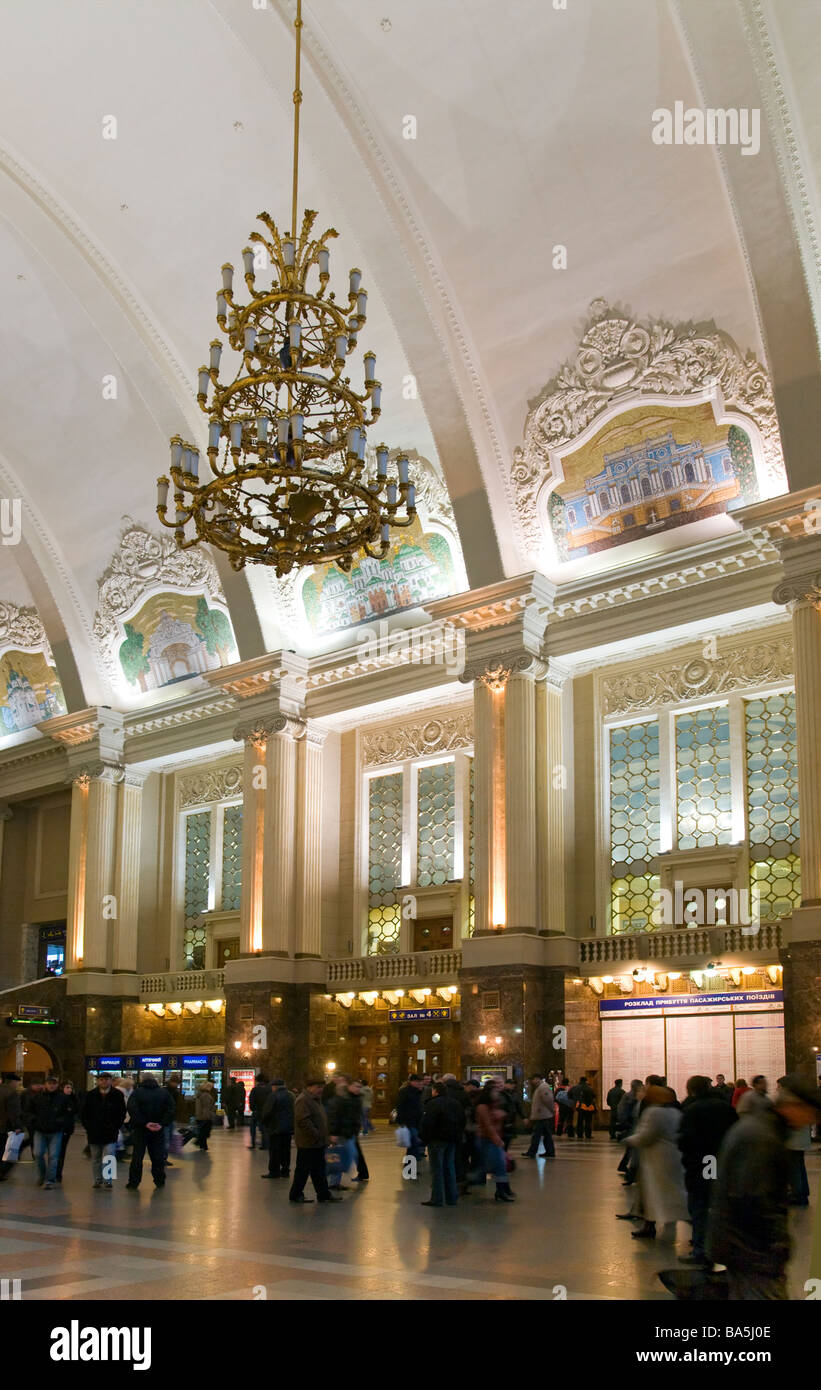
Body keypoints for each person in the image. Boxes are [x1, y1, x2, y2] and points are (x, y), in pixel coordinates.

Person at [708, 1076, 821, 1299]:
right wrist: (776, 1244)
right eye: (810, 1112)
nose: (811, 1120)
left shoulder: (762, 1128)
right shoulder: (762, 1138)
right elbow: (752, 1198)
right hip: (751, 1251)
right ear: (794, 1106)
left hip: (742, 1247)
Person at [677, 1074, 737, 1265]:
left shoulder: (692, 1109)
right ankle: (718, 1244)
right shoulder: (725, 1107)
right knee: (715, 1203)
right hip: (720, 1160)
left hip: (701, 1162)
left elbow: (686, 1139)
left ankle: (701, 1248)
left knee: (699, 1204)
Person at [625, 1085, 688, 1240]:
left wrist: (628, 1140)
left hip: (657, 1159)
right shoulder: (675, 1112)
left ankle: (650, 1225)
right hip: (674, 1157)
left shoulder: (654, 1112)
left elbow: (646, 1136)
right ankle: (666, 1221)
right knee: (674, 1191)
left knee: (652, 1193)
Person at [289, 1080, 340, 1203]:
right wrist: (317, 1135)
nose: (321, 1089)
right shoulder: (303, 1100)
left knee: (318, 1170)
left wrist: (325, 1136)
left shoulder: (315, 1099)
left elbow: (320, 1120)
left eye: (322, 1087)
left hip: (317, 1142)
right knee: (303, 1170)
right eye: (318, 1087)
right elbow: (303, 1121)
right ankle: (295, 1195)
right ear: (309, 1087)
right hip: (308, 1142)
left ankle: (323, 1194)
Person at [420, 1079, 464, 1207]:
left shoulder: (432, 1104)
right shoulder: (455, 1103)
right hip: (452, 1140)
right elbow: (462, 1120)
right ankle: (452, 1198)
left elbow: (427, 1123)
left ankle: (437, 1198)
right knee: (449, 1167)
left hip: (436, 1140)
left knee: (437, 1170)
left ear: (435, 1091)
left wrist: (424, 1138)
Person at [126, 1073, 175, 1189]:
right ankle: (159, 1180)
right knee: (158, 1156)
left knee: (137, 1156)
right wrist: (162, 1123)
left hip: (140, 1130)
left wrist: (144, 1123)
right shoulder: (164, 1093)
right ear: (155, 1080)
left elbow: (132, 1109)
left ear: (142, 1080)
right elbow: (171, 1109)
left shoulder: (137, 1093)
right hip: (158, 1130)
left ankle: (134, 1182)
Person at [81, 1071, 127, 1189]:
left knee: (110, 1155)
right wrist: (88, 1126)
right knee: (96, 1157)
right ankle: (97, 1180)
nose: (104, 1081)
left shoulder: (117, 1095)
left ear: (110, 1081)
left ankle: (108, 1180)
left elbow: (121, 1112)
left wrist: (116, 1125)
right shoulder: (90, 1095)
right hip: (94, 1131)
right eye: (101, 1079)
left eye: (106, 1079)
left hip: (110, 1131)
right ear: (98, 1081)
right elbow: (84, 1113)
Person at [474, 1081, 515, 1202]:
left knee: (499, 1166)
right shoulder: (483, 1107)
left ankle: (501, 1191)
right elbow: (488, 1126)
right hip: (487, 1140)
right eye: (495, 1090)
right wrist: (497, 1140)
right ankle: (501, 1191)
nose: (497, 1093)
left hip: (493, 1139)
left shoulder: (493, 1105)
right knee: (498, 1165)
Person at [31, 1075, 73, 1189]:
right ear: (46, 1084)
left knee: (54, 1156)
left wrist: (60, 1123)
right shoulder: (37, 1098)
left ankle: (50, 1180)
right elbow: (29, 1112)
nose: (51, 1085)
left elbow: (68, 1114)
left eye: (54, 1083)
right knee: (38, 1153)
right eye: (49, 1083)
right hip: (40, 1130)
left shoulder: (63, 1099)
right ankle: (42, 1175)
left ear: (57, 1085)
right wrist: (34, 1123)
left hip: (56, 1131)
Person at [778, 1076, 812, 1207]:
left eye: (779, 1086)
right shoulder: (801, 1099)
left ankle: (797, 1196)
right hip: (801, 1141)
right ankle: (803, 1193)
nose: (777, 1089)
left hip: (793, 1142)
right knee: (800, 1168)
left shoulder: (791, 1101)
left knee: (794, 1170)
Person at [325, 1076, 359, 1189]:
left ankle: (334, 1180)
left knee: (338, 1155)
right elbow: (333, 1118)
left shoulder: (348, 1100)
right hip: (341, 1133)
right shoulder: (337, 1102)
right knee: (340, 1155)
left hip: (347, 1132)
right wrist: (333, 1133)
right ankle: (332, 1178)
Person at [260, 1078, 295, 1179]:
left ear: (274, 1086)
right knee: (286, 1150)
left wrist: (265, 1123)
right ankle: (285, 1170)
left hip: (275, 1127)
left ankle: (274, 1171)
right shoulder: (290, 1095)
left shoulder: (273, 1096)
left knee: (275, 1150)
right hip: (288, 1128)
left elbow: (267, 1111)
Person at [521, 1074, 555, 1158]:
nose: (531, 1082)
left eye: (532, 1079)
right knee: (546, 1135)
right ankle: (550, 1151)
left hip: (543, 1115)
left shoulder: (543, 1087)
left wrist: (552, 1110)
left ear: (537, 1079)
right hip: (541, 1115)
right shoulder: (539, 1087)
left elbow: (548, 1100)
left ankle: (532, 1152)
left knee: (536, 1135)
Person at [396, 1074, 425, 1162]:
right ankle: (410, 1168)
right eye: (418, 1082)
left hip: (416, 1122)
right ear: (412, 1082)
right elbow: (400, 1106)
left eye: (421, 1082)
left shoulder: (417, 1091)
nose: (420, 1083)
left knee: (412, 1146)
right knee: (413, 1145)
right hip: (409, 1122)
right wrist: (402, 1122)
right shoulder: (405, 1092)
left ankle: (409, 1168)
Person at [54, 1080, 79, 1183]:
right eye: (67, 1087)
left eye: (70, 1088)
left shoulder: (74, 1099)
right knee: (56, 1151)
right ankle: (54, 1172)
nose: (69, 1090)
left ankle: (58, 1173)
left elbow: (75, 1110)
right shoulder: (58, 1099)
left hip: (67, 1128)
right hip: (57, 1127)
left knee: (61, 1151)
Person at [0, 1073, 23, 1181]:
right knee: (6, 1152)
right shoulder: (11, 1093)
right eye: (17, 1083)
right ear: (12, 1082)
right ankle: (1, 1173)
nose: (17, 1085)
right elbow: (14, 1112)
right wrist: (17, 1126)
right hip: (4, 1128)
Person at [248, 1073, 271, 1150]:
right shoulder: (269, 1089)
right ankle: (265, 1145)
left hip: (256, 1111)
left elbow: (251, 1101)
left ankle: (253, 1144)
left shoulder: (255, 1089)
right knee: (264, 1129)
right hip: (265, 1112)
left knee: (253, 1128)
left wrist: (253, 1108)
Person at [499, 1078, 523, 1150]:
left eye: (513, 1085)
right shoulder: (501, 1094)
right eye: (510, 1084)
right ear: (506, 1084)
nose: (512, 1086)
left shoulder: (514, 1094)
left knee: (508, 1139)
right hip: (503, 1120)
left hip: (511, 1120)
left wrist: (523, 1117)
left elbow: (518, 1106)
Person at [572, 1075, 597, 1141]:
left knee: (580, 1121)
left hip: (580, 1106)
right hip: (588, 1107)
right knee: (588, 1121)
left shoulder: (575, 1087)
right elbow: (594, 1096)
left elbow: (569, 1094)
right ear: (586, 1081)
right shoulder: (589, 1088)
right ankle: (588, 1134)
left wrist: (575, 1100)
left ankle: (579, 1134)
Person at [193, 1080, 216, 1151]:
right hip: (205, 1117)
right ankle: (200, 1143)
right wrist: (207, 1117)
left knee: (202, 1131)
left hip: (199, 1116)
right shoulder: (206, 1095)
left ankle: (203, 1145)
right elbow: (206, 1107)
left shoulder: (199, 1094)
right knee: (205, 1132)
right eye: (211, 1087)